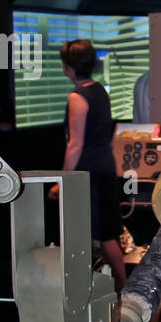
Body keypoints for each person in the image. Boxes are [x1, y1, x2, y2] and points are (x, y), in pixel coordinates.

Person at [50, 39, 126, 292]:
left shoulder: (77, 96)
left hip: (88, 173)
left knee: (95, 234)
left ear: (67, 68)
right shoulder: (99, 90)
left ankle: (110, 289)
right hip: (105, 166)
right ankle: (122, 286)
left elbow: (75, 144)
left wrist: (62, 181)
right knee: (107, 235)